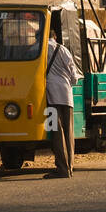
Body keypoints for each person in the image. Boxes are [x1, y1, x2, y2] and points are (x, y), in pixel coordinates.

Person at [44, 30, 81, 179]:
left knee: (55, 132)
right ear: (55, 36)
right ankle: (70, 167)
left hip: (50, 97)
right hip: (67, 96)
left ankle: (61, 168)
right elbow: (75, 77)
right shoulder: (64, 50)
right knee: (69, 133)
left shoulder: (39, 49)